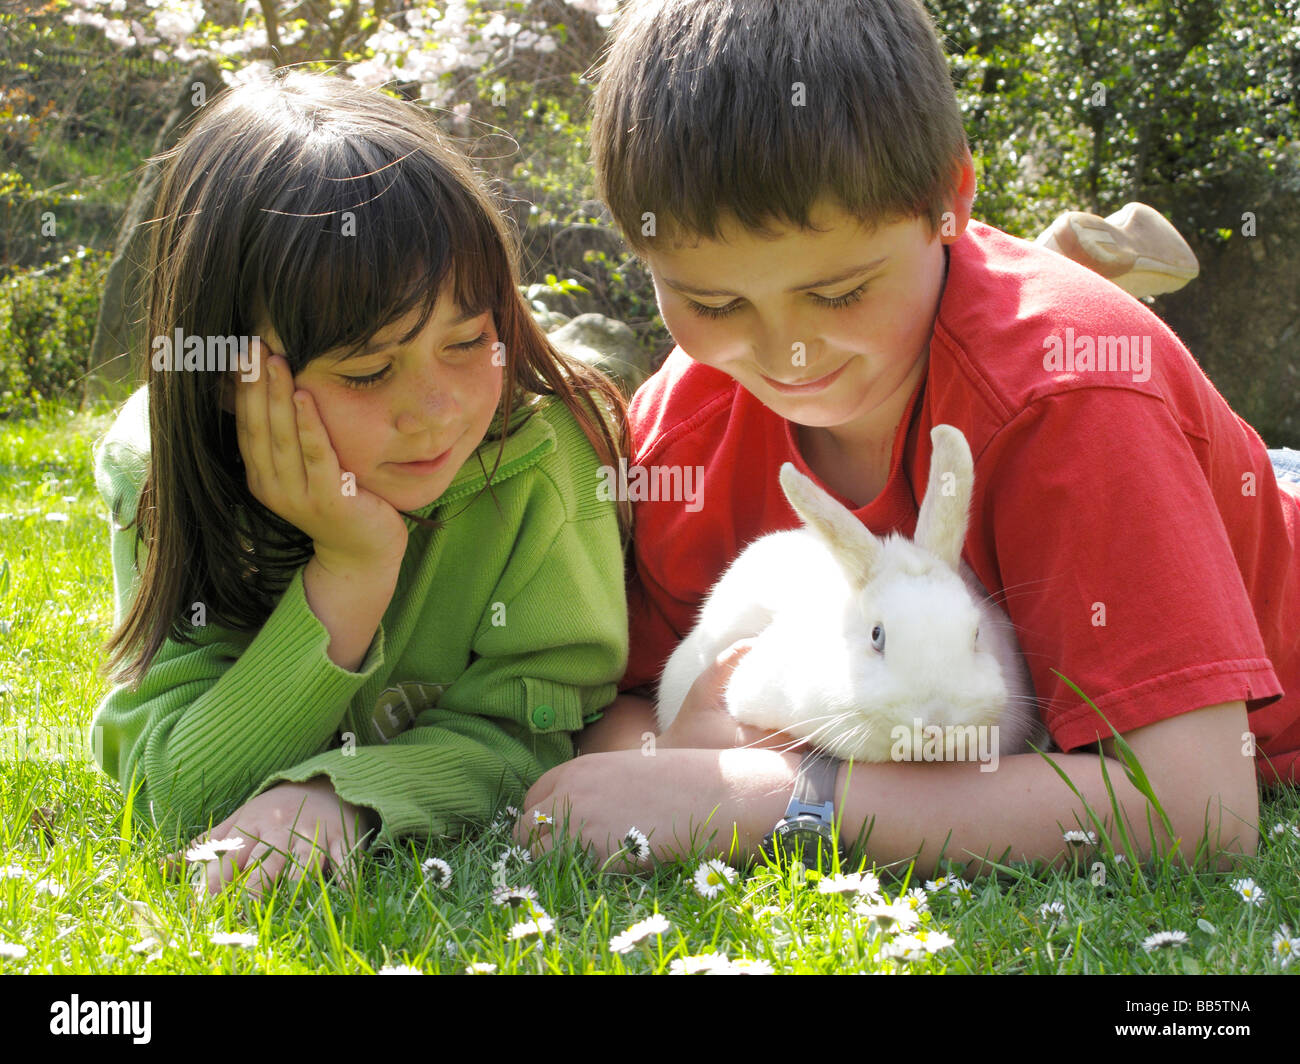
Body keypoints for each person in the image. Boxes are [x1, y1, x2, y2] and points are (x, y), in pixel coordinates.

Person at [519, 0, 1299, 878]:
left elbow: (1195, 809)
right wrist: (674, 750)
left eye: (840, 292)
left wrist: (779, 797)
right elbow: (618, 707)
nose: (785, 352)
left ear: (952, 199)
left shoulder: (1076, 393)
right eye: (712, 302)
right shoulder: (679, 434)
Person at [90, 69, 629, 898]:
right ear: (230, 375)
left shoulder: (545, 454)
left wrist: (342, 799)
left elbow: (531, 735)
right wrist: (349, 572)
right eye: (369, 370)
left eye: (467, 342)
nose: (436, 412)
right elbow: (173, 790)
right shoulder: (165, 472)